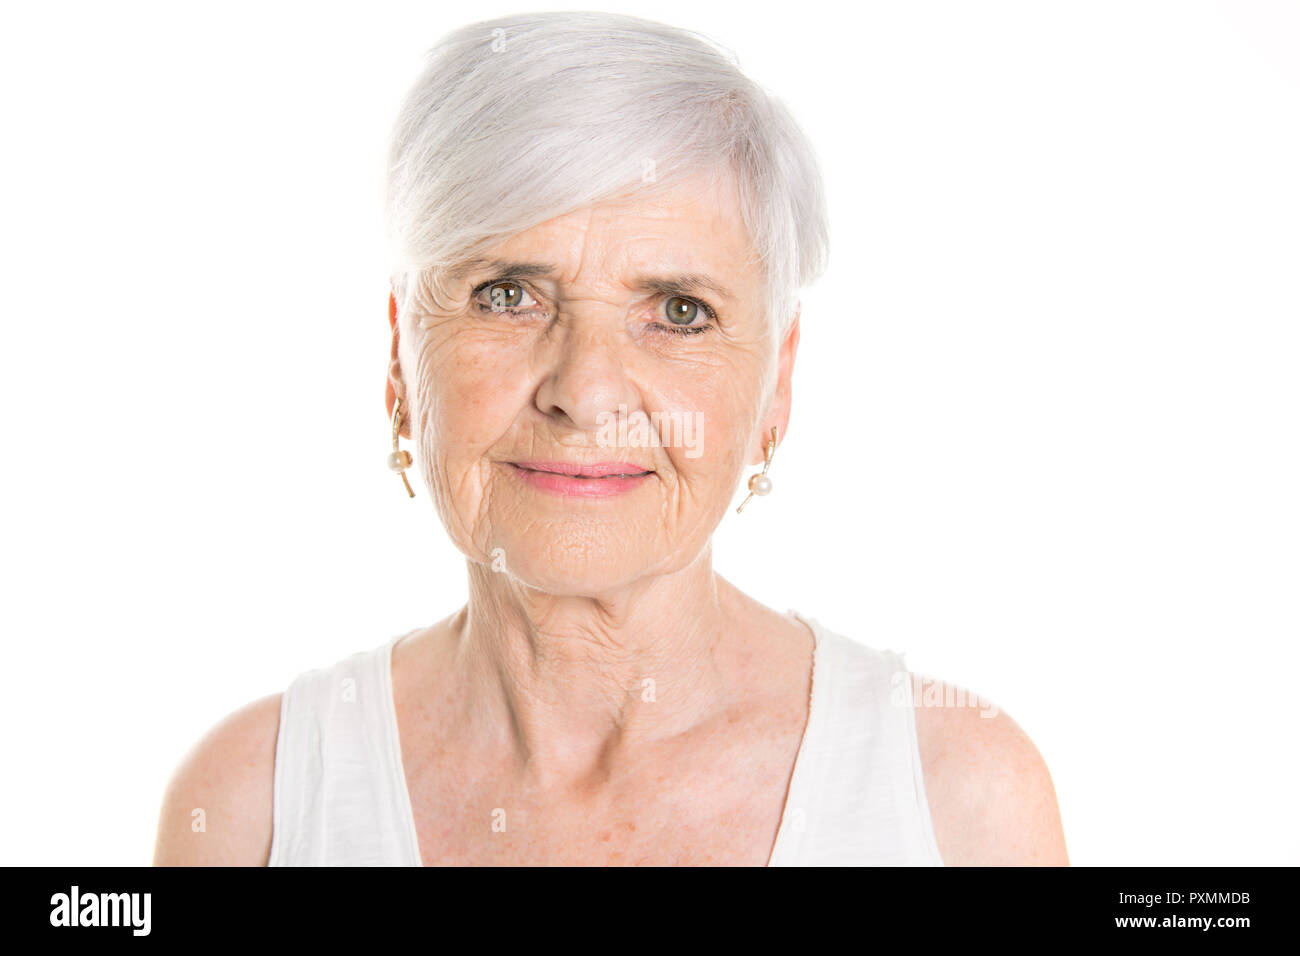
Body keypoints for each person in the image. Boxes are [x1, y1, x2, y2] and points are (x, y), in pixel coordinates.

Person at [153, 11, 1067, 866]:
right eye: (508, 294)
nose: (585, 395)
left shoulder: (960, 802)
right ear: (402, 357)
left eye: (679, 310)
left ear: (777, 381)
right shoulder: (250, 807)